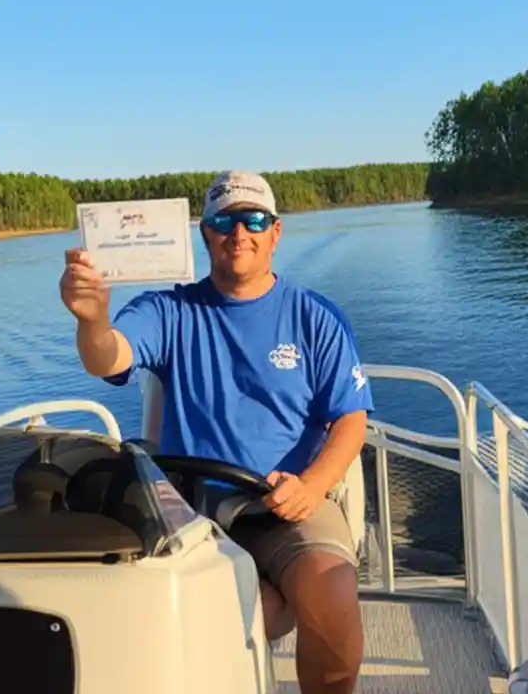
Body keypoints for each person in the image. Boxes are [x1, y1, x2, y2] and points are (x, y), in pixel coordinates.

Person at [59, 170, 371, 693]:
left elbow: (351, 418)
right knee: (202, 610)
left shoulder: (316, 318)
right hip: (192, 510)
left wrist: (312, 486)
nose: (239, 232)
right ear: (205, 233)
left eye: (254, 220)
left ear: (275, 232)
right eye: (225, 220)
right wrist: (91, 320)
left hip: (287, 503)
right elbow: (108, 355)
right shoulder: (168, 311)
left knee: (333, 593)